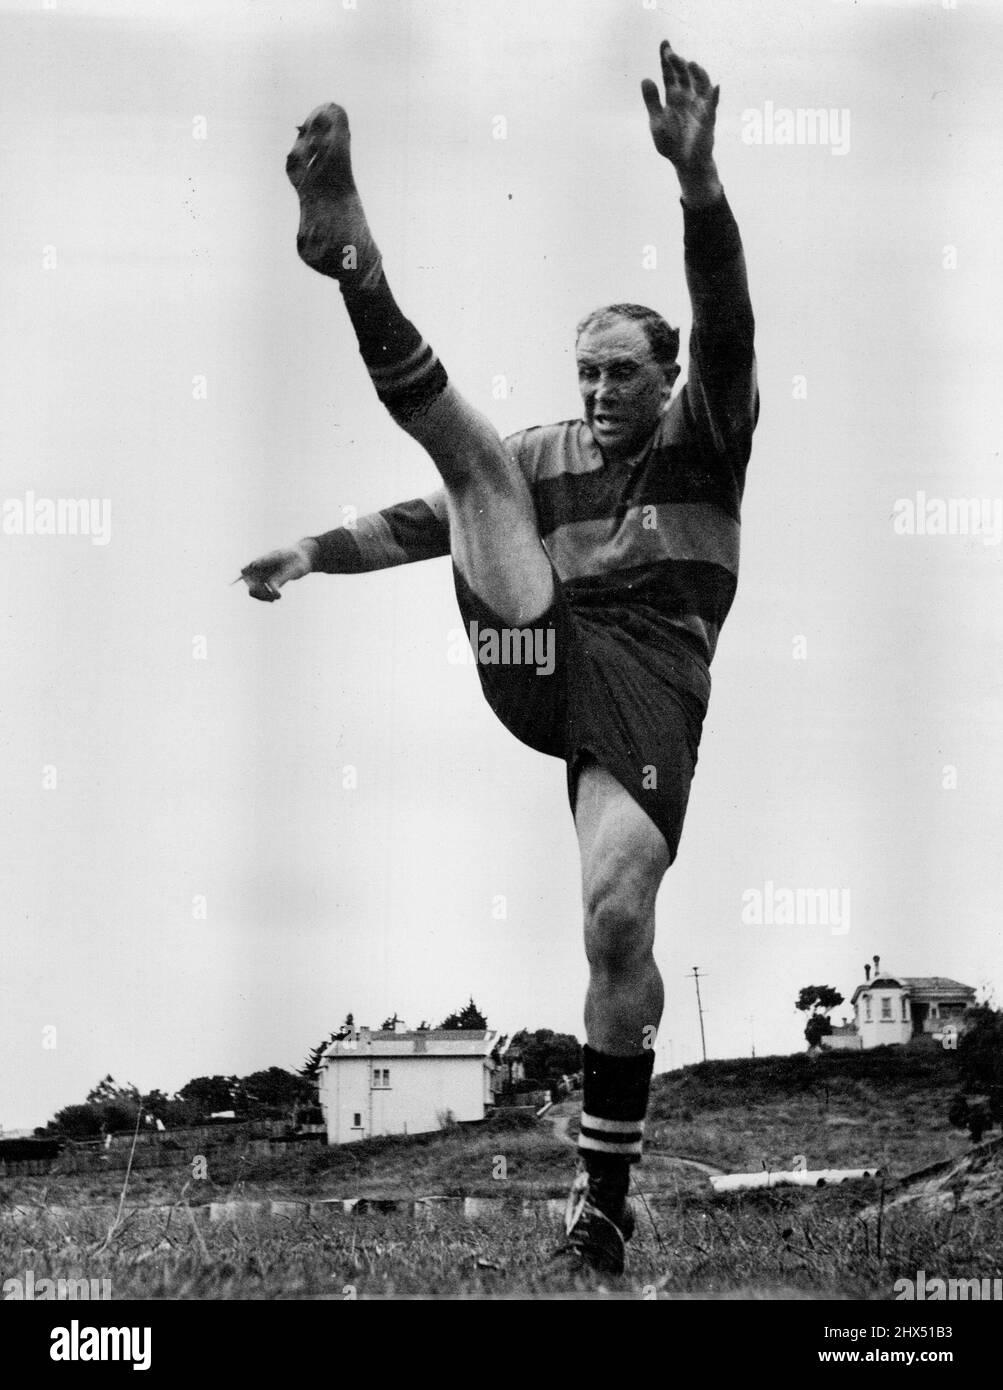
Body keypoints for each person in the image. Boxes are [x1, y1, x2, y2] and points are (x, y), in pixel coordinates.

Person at [241, 39, 758, 1276]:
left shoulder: (710, 433)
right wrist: (313, 550)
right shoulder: (544, 452)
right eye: (583, 370)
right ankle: (352, 260)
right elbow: (433, 522)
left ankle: (602, 1196)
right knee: (470, 457)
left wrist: (698, 186)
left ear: (667, 378)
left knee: (616, 921)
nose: (594, 390)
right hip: (534, 643)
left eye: (618, 373)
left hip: (648, 687)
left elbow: (729, 321)